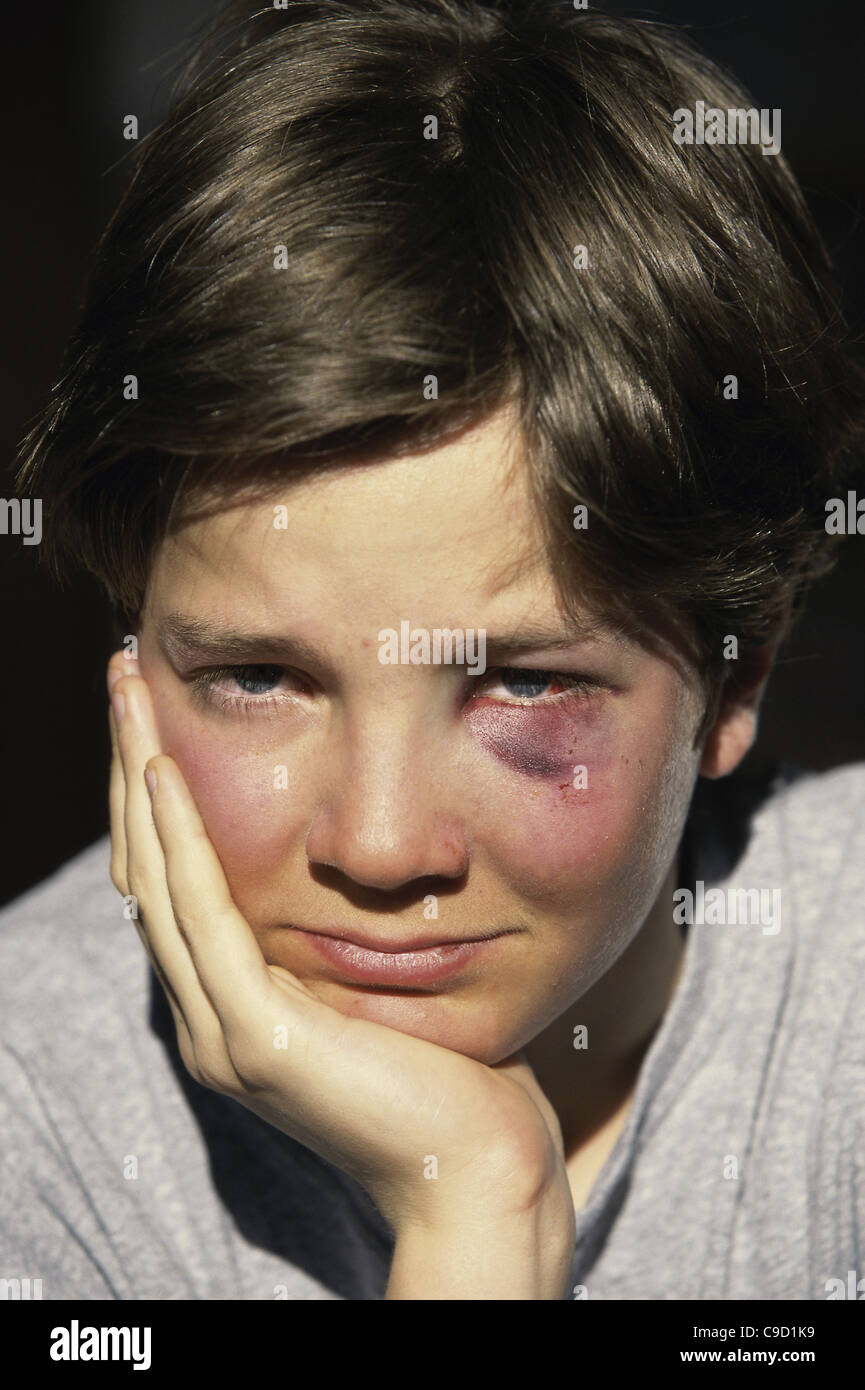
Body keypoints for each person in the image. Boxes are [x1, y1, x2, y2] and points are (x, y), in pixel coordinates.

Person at [3, 0, 864, 1302]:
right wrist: (476, 1200)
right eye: (258, 677)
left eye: (525, 682)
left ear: (733, 674)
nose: (383, 843)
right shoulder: (35, 1118)